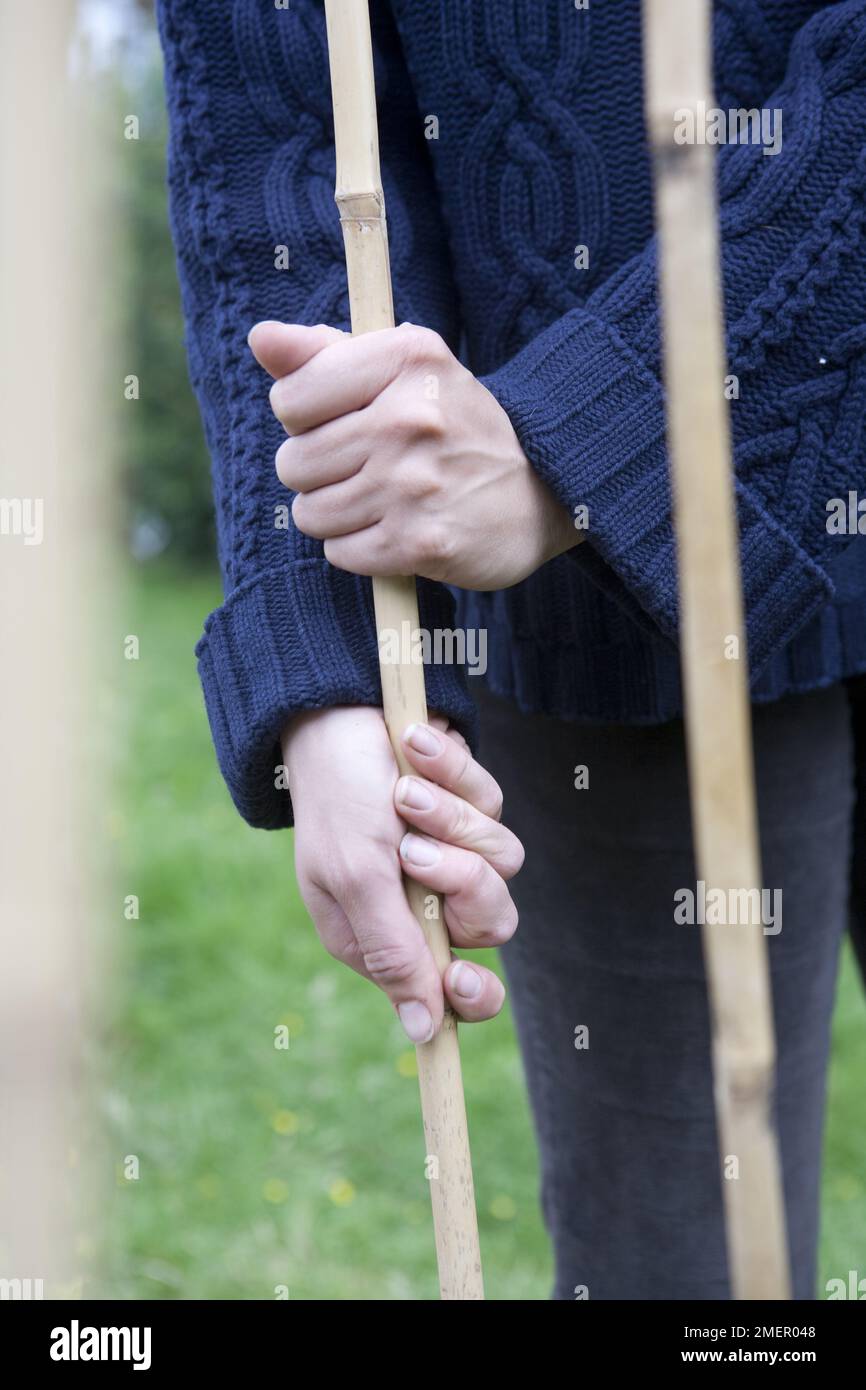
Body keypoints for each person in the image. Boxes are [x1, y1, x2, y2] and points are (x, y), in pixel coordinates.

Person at [156, 0, 866, 1299]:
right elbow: (280, 134)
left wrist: (594, 431)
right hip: (604, 615)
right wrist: (334, 661)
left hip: (563, 478)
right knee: (677, 1277)